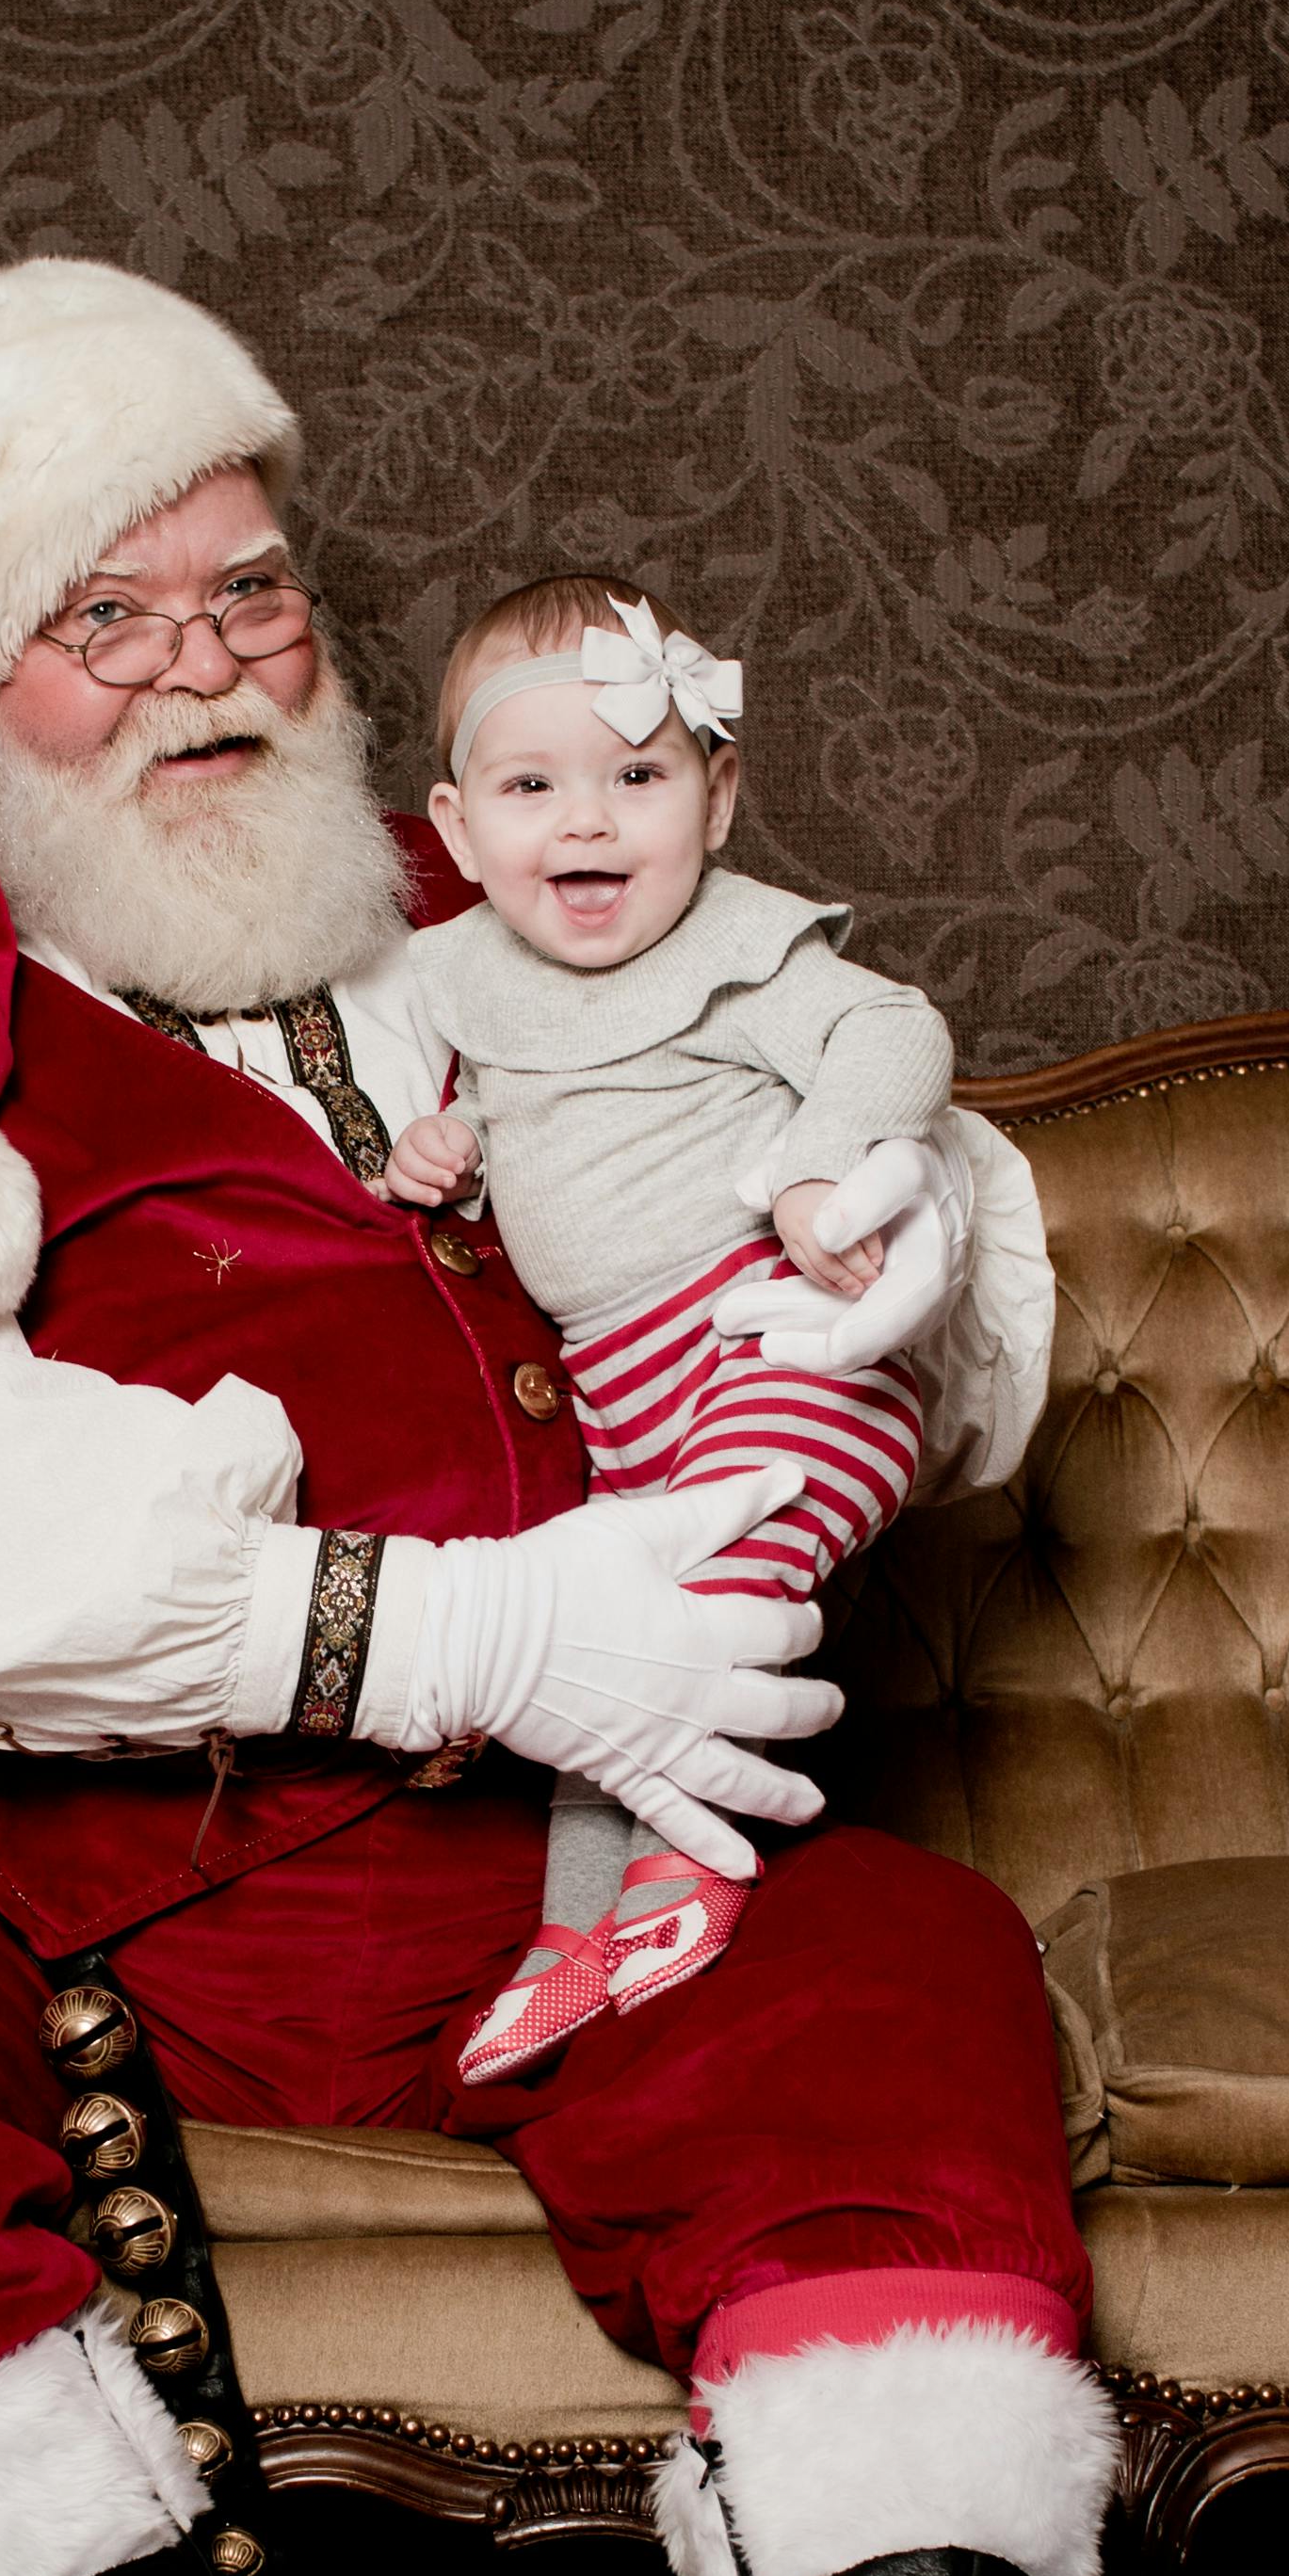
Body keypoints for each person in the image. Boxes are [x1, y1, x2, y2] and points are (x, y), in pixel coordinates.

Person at [0, 258, 1109, 2576]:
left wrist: (906, 1266)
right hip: (31, 1898)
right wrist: (486, 1626)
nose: (207, 661)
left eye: (248, 588)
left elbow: (867, 1161)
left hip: (580, 1867)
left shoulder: (525, 882)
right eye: (105, 613)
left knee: (906, 1954)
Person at [386, 574, 1006, 2089]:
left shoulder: (743, 954)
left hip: (775, 1346)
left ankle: (689, 1872)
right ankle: (569, 1938)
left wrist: (819, 1168)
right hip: (615, 1394)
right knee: (615, 1658)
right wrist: (439, 1145)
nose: (588, 826)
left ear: (717, 800)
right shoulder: (464, 973)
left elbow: (897, 1033)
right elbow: (529, 1105)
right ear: (461, 831)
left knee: (716, 1599)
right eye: (534, 788)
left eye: (639, 777)